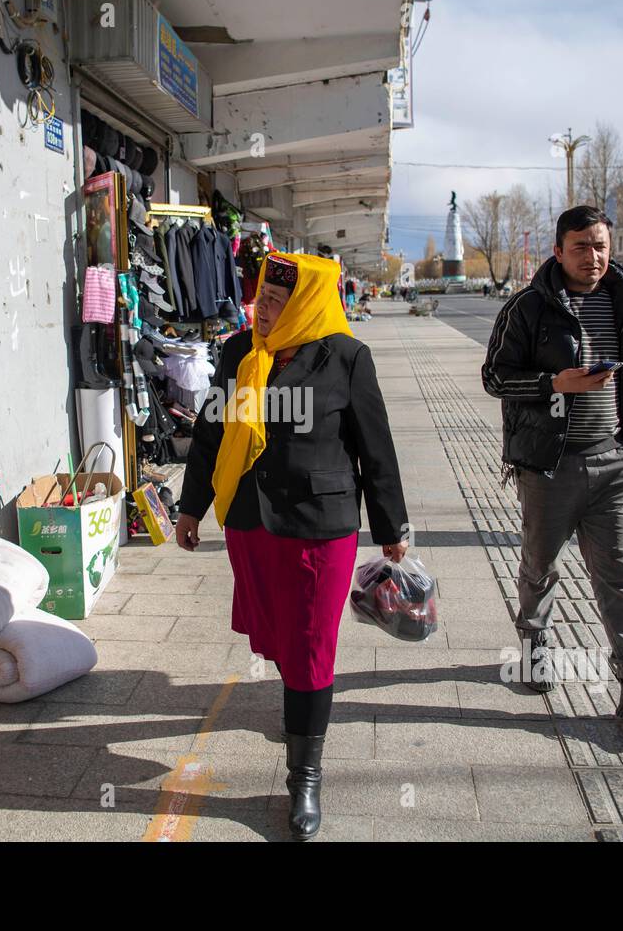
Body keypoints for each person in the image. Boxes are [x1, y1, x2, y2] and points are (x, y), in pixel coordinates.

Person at [176, 252, 409, 840]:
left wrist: (391, 526)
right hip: (250, 520)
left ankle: (304, 775)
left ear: (306, 302)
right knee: (277, 633)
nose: (264, 311)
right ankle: (299, 704)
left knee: (309, 644)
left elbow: (374, 446)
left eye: (278, 303)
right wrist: (190, 506)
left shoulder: (347, 357)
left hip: (319, 524)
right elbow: (212, 433)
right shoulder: (238, 352)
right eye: (261, 300)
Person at [481, 205, 623, 724]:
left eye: (600, 245)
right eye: (580, 246)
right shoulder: (527, 307)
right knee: (540, 567)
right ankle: (534, 648)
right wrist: (554, 384)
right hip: (549, 465)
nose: (593, 256)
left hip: (614, 462)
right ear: (558, 251)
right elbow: (494, 377)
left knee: (617, 573)